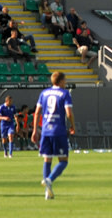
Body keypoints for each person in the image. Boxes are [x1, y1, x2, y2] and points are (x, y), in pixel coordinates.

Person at [32, 71, 75, 201]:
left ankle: (47, 192)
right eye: (65, 80)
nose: (66, 83)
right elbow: (69, 113)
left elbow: (37, 112)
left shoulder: (44, 93)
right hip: (58, 131)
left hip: (45, 131)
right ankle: (49, 179)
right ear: (61, 81)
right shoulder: (65, 93)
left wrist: (35, 130)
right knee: (63, 161)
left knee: (47, 160)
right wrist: (72, 125)